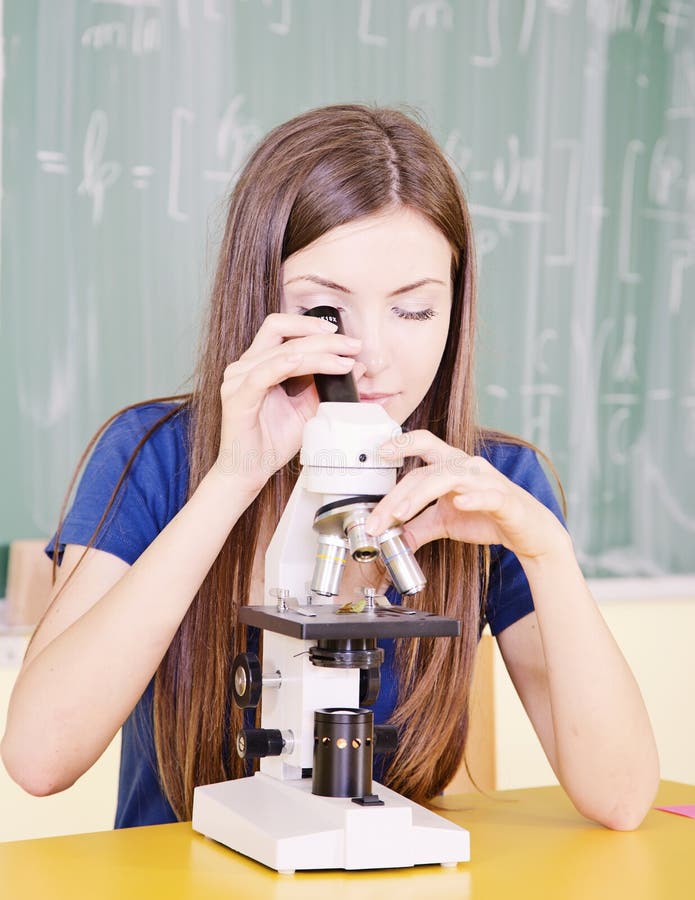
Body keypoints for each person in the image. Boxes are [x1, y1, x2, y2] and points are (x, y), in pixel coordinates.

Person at [1, 104, 659, 831]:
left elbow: (620, 798)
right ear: (262, 299)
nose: (372, 356)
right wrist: (233, 478)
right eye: (327, 313)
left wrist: (546, 554)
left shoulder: (491, 484)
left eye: (414, 312)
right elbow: (39, 758)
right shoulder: (153, 454)